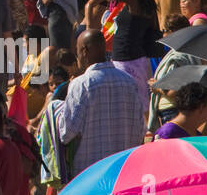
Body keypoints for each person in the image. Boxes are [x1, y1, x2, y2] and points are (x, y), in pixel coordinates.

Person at [57, 30, 145, 178]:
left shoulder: (81, 85)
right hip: (123, 173)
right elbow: (141, 131)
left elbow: (66, 133)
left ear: (84, 51)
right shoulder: (129, 82)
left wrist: (56, 112)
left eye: (77, 51)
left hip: (90, 176)